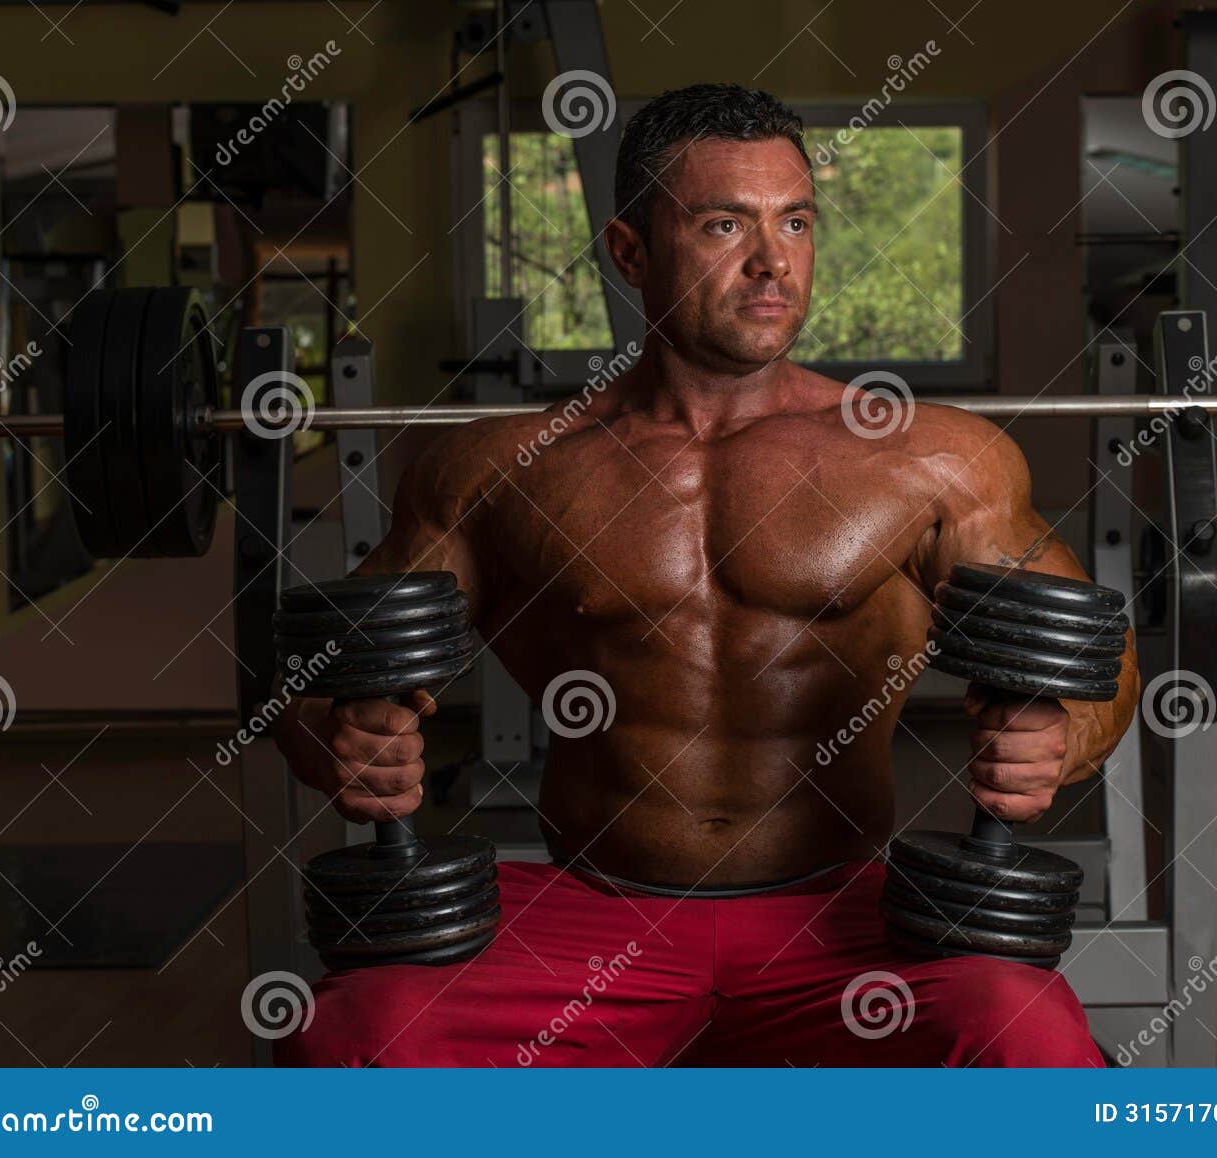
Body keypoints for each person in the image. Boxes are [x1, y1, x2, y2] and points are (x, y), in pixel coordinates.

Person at [274, 83, 1138, 1067]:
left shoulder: (933, 460)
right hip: (591, 918)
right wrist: (341, 741)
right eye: (726, 223)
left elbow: (1101, 673)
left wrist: (1059, 736)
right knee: (357, 1038)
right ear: (629, 251)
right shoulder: (498, 467)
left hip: (844, 918)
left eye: (796, 221)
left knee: (1024, 1037)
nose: (773, 261)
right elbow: (323, 691)